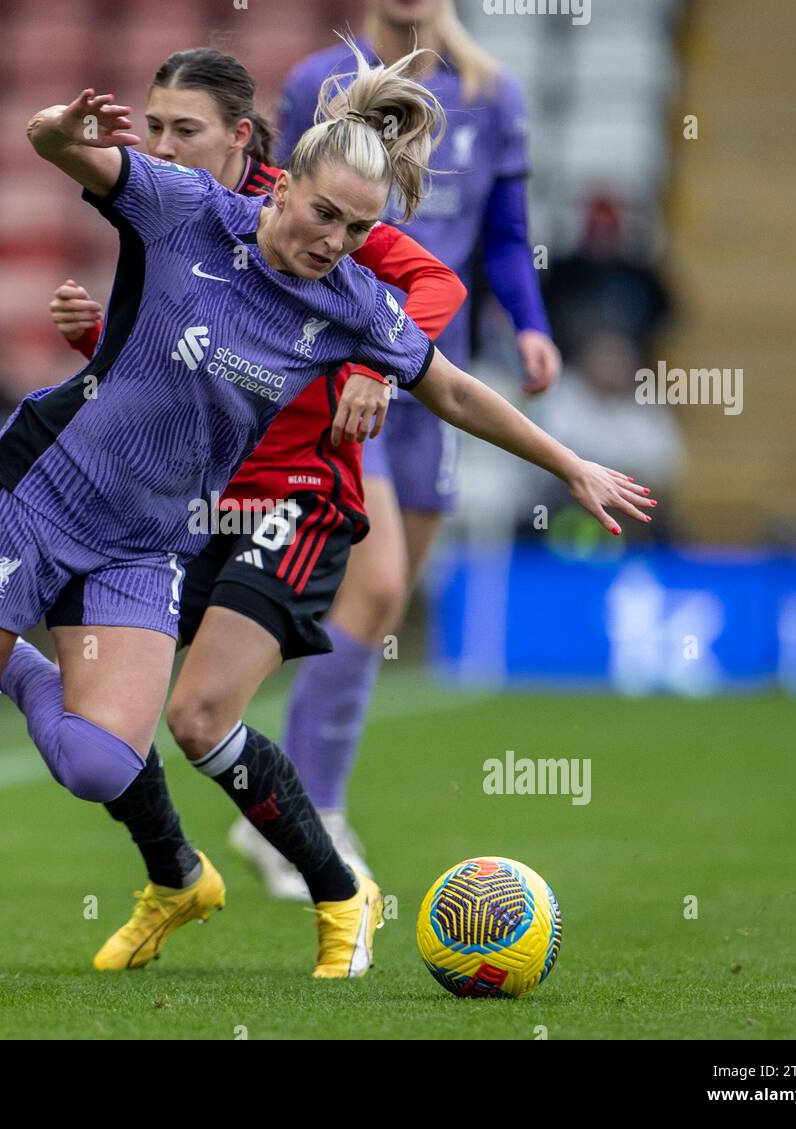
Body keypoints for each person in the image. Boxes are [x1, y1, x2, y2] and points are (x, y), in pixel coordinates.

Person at [0, 39, 654, 981]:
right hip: (40, 494)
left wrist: (571, 462)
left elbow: (451, 391)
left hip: (148, 541)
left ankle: (11, 661)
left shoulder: (353, 305)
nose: (334, 239)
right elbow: (62, 150)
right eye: (324, 212)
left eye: (357, 229)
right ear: (280, 188)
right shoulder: (187, 210)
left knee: (95, 763)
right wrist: (56, 131)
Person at [44, 45, 467, 967]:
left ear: (241, 140)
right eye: (150, 127)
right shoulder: (175, 214)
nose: (159, 144)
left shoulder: (318, 208)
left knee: (197, 715)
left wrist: (370, 367)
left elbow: (434, 285)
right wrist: (100, 345)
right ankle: (174, 872)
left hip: (292, 495)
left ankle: (339, 889)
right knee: (95, 704)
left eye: (180, 130)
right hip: (185, 496)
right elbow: (176, 358)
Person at [265, 1, 564, 889]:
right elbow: (275, 210)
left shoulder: (489, 95)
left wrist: (533, 324)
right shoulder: (310, 86)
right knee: (380, 578)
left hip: (436, 373)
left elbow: (505, 238)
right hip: (346, 364)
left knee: (381, 605)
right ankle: (308, 813)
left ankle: (296, 797)